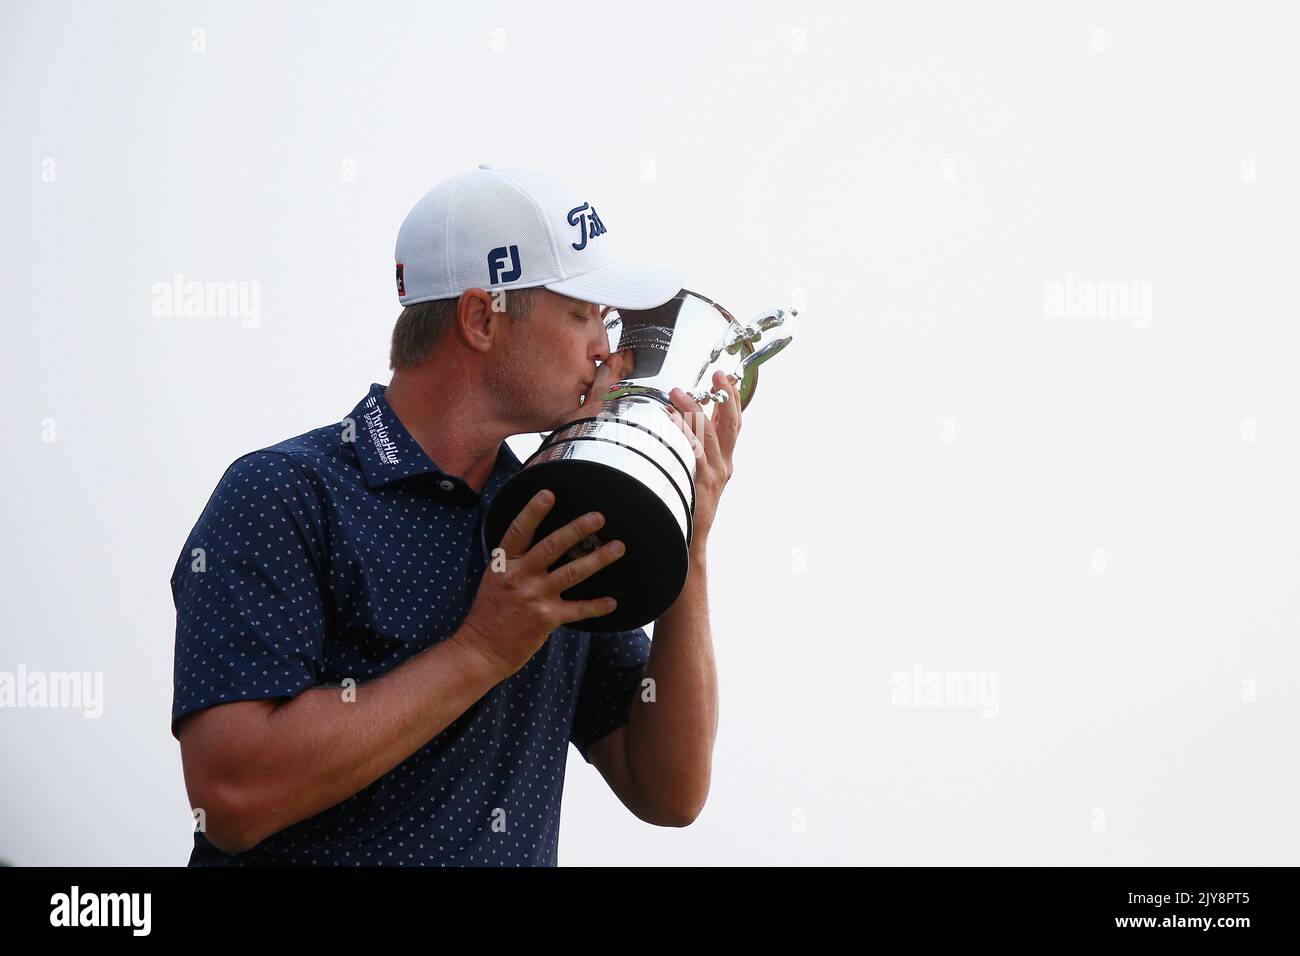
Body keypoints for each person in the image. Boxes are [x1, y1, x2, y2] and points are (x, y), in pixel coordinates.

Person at [169, 165, 742, 865]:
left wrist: (690, 532)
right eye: (582, 314)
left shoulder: (560, 506)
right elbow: (231, 797)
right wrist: (483, 651)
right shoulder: (283, 492)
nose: (607, 349)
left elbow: (669, 790)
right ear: (480, 318)